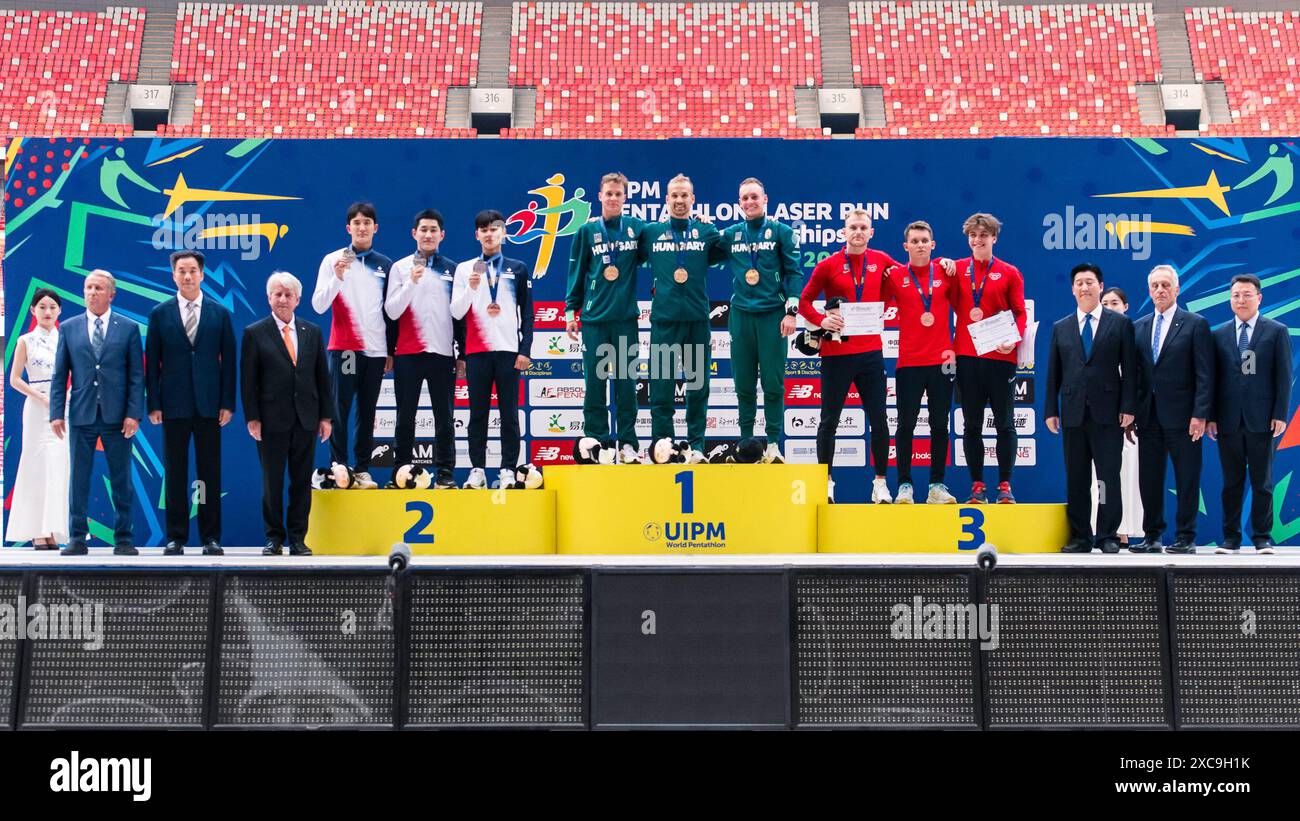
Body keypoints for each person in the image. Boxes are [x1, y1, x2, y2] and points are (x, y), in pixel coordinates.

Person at [799, 210, 898, 503]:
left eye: (863, 227)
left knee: (879, 419)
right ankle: (825, 482)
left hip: (870, 354)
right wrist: (821, 320)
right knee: (829, 420)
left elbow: (909, 277)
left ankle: (880, 483)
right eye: (852, 227)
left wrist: (941, 265)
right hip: (835, 353)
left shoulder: (882, 261)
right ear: (843, 232)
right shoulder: (828, 265)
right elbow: (805, 301)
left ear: (871, 232)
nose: (858, 232)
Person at [145, 250, 236, 556]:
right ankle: (176, 537)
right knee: (176, 473)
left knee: (209, 474)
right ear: (173, 275)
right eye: (181, 271)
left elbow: (230, 363)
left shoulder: (219, 313)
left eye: (193, 271)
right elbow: (152, 363)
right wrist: (154, 404)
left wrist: (227, 403)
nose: (187, 276)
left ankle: (210, 536)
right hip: (173, 406)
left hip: (210, 406)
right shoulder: (160, 313)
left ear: (202, 274)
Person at [49, 270, 144, 556]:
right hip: (81, 414)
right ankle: (77, 537)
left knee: (121, 479)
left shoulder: (127, 328)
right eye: (88, 287)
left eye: (98, 288)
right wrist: (56, 413)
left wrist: (133, 414)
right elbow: (59, 373)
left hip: (117, 416)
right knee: (78, 478)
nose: (92, 292)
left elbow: (136, 376)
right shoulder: (69, 327)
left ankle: (124, 538)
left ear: (111, 294)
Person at [1045, 263, 1138, 553]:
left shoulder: (1119, 323)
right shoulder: (1062, 327)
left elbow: (1131, 370)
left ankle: (1107, 535)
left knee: (1107, 477)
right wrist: (1051, 410)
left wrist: (1128, 407)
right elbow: (1054, 373)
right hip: (1073, 412)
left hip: (1109, 412)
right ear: (1073, 289)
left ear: (1100, 286)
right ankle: (1080, 537)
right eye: (1079, 283)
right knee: (1077, 477)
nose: (1085, 287)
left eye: (1090, 282)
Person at [242, 272, 334, 556]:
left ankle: (297, 539)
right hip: (270, 420)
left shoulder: (312, 332)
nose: (282, 299)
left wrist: (326, 417)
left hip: (306, 418)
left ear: (298, 299)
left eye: (288, 295)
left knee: (300, 483)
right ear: (269, 298)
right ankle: (274, 539)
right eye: (277, 294)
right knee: (272, 483)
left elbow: (322, 376)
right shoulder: (254, 332)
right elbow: (248, 381)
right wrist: (253, 418)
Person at [716, 177, 801, 463]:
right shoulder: (731, 234)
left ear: (765, 199)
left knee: (774, 384)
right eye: (744, 198)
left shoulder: (781, 232)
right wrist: (701, 224)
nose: (749, 202)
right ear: (739, 203)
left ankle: (774, 445)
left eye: (754, 197)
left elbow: (794, 273)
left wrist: (791, 311)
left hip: (772, 316)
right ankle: (746, 444)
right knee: (743, 384)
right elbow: (705, 251)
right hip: (740, 316)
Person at [311, 201, 395, 490]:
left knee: (367, 411)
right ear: (349, 228)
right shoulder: (333, 260)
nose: (362, 227)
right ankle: (338, 466)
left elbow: (390, 312)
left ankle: (361, 469)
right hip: (345, 347)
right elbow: (319, 305)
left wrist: (389, 351)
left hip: (375, 351)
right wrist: (337, 276)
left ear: (375, 228)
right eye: (356, 223)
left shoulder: (385, 265)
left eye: (367, 223)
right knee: (340, 408)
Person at [637, 174, 722, 459]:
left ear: (693, 199)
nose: (679, 200)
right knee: (661, 387)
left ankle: (696, 446)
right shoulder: (650, 232)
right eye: (674, 195)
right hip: (664, 321)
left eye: (685, 195)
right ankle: (662, 446)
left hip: (697, 321)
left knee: (698, 387)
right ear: (666, 199)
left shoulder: (707, 232)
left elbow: (727, 255)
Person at [1130, 267, 1213, 554]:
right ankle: (1152, 536)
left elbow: (1205, 373)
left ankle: (1185, 537)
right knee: (1149, 479)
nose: (1160, 290)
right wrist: (1131, 413)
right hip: (1148, 416)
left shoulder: (1194, 324)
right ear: (1149, 290)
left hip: (1184, 417)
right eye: (1155, 285)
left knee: (1187, 478)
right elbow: (1135, 376)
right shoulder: (1139, 326)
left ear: (1177, 290)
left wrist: (1200, 414)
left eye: (1166, 285)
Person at [1208, 274, 1292, 554]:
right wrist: (1210, 416)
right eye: (1235, 295)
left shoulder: (1276, 331)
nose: (1241, 300)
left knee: (1262, 482)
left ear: (1259, 298)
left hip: (1262, 418)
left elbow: (1283, 376)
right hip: (1228, 420)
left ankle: (1261, 538)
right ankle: (1230, 538)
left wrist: (1280, 413)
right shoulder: (1218, 334)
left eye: (1246, 294)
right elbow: (1211, 379)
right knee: (1231, 482)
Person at [450, 209, 533, 489]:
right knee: (478, 414)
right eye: (483, 229)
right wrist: (471, 288)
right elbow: (456, 312)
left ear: (504, 233)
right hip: (477, 352)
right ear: (477, 235)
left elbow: (528, 314)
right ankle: (477, 469)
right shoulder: (464, 269)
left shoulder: (518, 268)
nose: (489, 234)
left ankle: (508, 468)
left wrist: (525, 350)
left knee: (509, 413)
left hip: (509, 352)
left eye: (494, 229)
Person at [565, 172, 645, 463]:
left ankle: (627, 444)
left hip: (625, 321)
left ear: (625, 198)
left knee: (626, 385)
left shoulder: (637, 229)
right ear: (599, 196)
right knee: (595, 386)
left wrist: (694, 223)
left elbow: (665, 244)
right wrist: (570, 311)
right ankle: (597, 443)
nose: (613, 198)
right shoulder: (586, 232)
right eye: (608, 193)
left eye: (618, 194)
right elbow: (575, 274)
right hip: (594, 320)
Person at [384, 208, 463, 489]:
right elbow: (391, 312)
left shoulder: (454, 270)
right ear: (414, 234)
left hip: (442, 354)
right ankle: (400, 472)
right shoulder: (400, 268)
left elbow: (460, 316)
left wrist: (462, 354)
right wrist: (410, 283)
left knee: (445, 417)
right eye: (423, 230)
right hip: (407, 354)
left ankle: (445, 474)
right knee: (405, 416)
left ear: (441, 235)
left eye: (433, 230)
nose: (428, 235)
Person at [881, 221, 959, 504]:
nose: (920, 244)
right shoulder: (895, 275)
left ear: (933, 244)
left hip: (943, 362)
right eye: (914, 241)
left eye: (925, 240)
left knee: (940, 425)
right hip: (909, 363)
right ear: (906, 246)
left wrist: (948, 262)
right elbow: (872, 299)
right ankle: (904, 485)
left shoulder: (946, 271)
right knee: (906, 425)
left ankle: (937, 486)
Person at [951, 213, 1026, 504]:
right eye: (973, 235)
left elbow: (1020, 313)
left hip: (1000, 356)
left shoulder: (1010, 272)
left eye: (984, 235)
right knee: (971, 425)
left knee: (1005, 423)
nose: (978, 240)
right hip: (967, 357)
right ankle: (977, 486)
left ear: (994, 238)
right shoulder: (956, 270)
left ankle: (1005, 486)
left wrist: (1014, 338)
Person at [7, 288, 69, 548]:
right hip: (36, 407)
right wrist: (40, 397)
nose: (47, 311)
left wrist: (65, 397)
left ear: (59, 311)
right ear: (33, 310)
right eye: (42, 306)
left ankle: (52, 528)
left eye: (52, 307)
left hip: (63, 408)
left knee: (58, 466)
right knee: (35, 465)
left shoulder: (66, 338)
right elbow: (14, 379)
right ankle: (36, 531)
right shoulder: (25, 341)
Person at [1092, 287, 1143, 544]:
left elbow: (1136, 378)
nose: (1109, 306)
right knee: (1101, 478)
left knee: (1127, 475)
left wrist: (1130, 411)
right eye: (1105, 302)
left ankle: (1125, 528)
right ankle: (1103, 529)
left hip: (1127, 420)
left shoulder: (1134, 334)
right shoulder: (1092, 335)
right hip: (1100, 419)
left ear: (1126, 306)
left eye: (1115, 302)